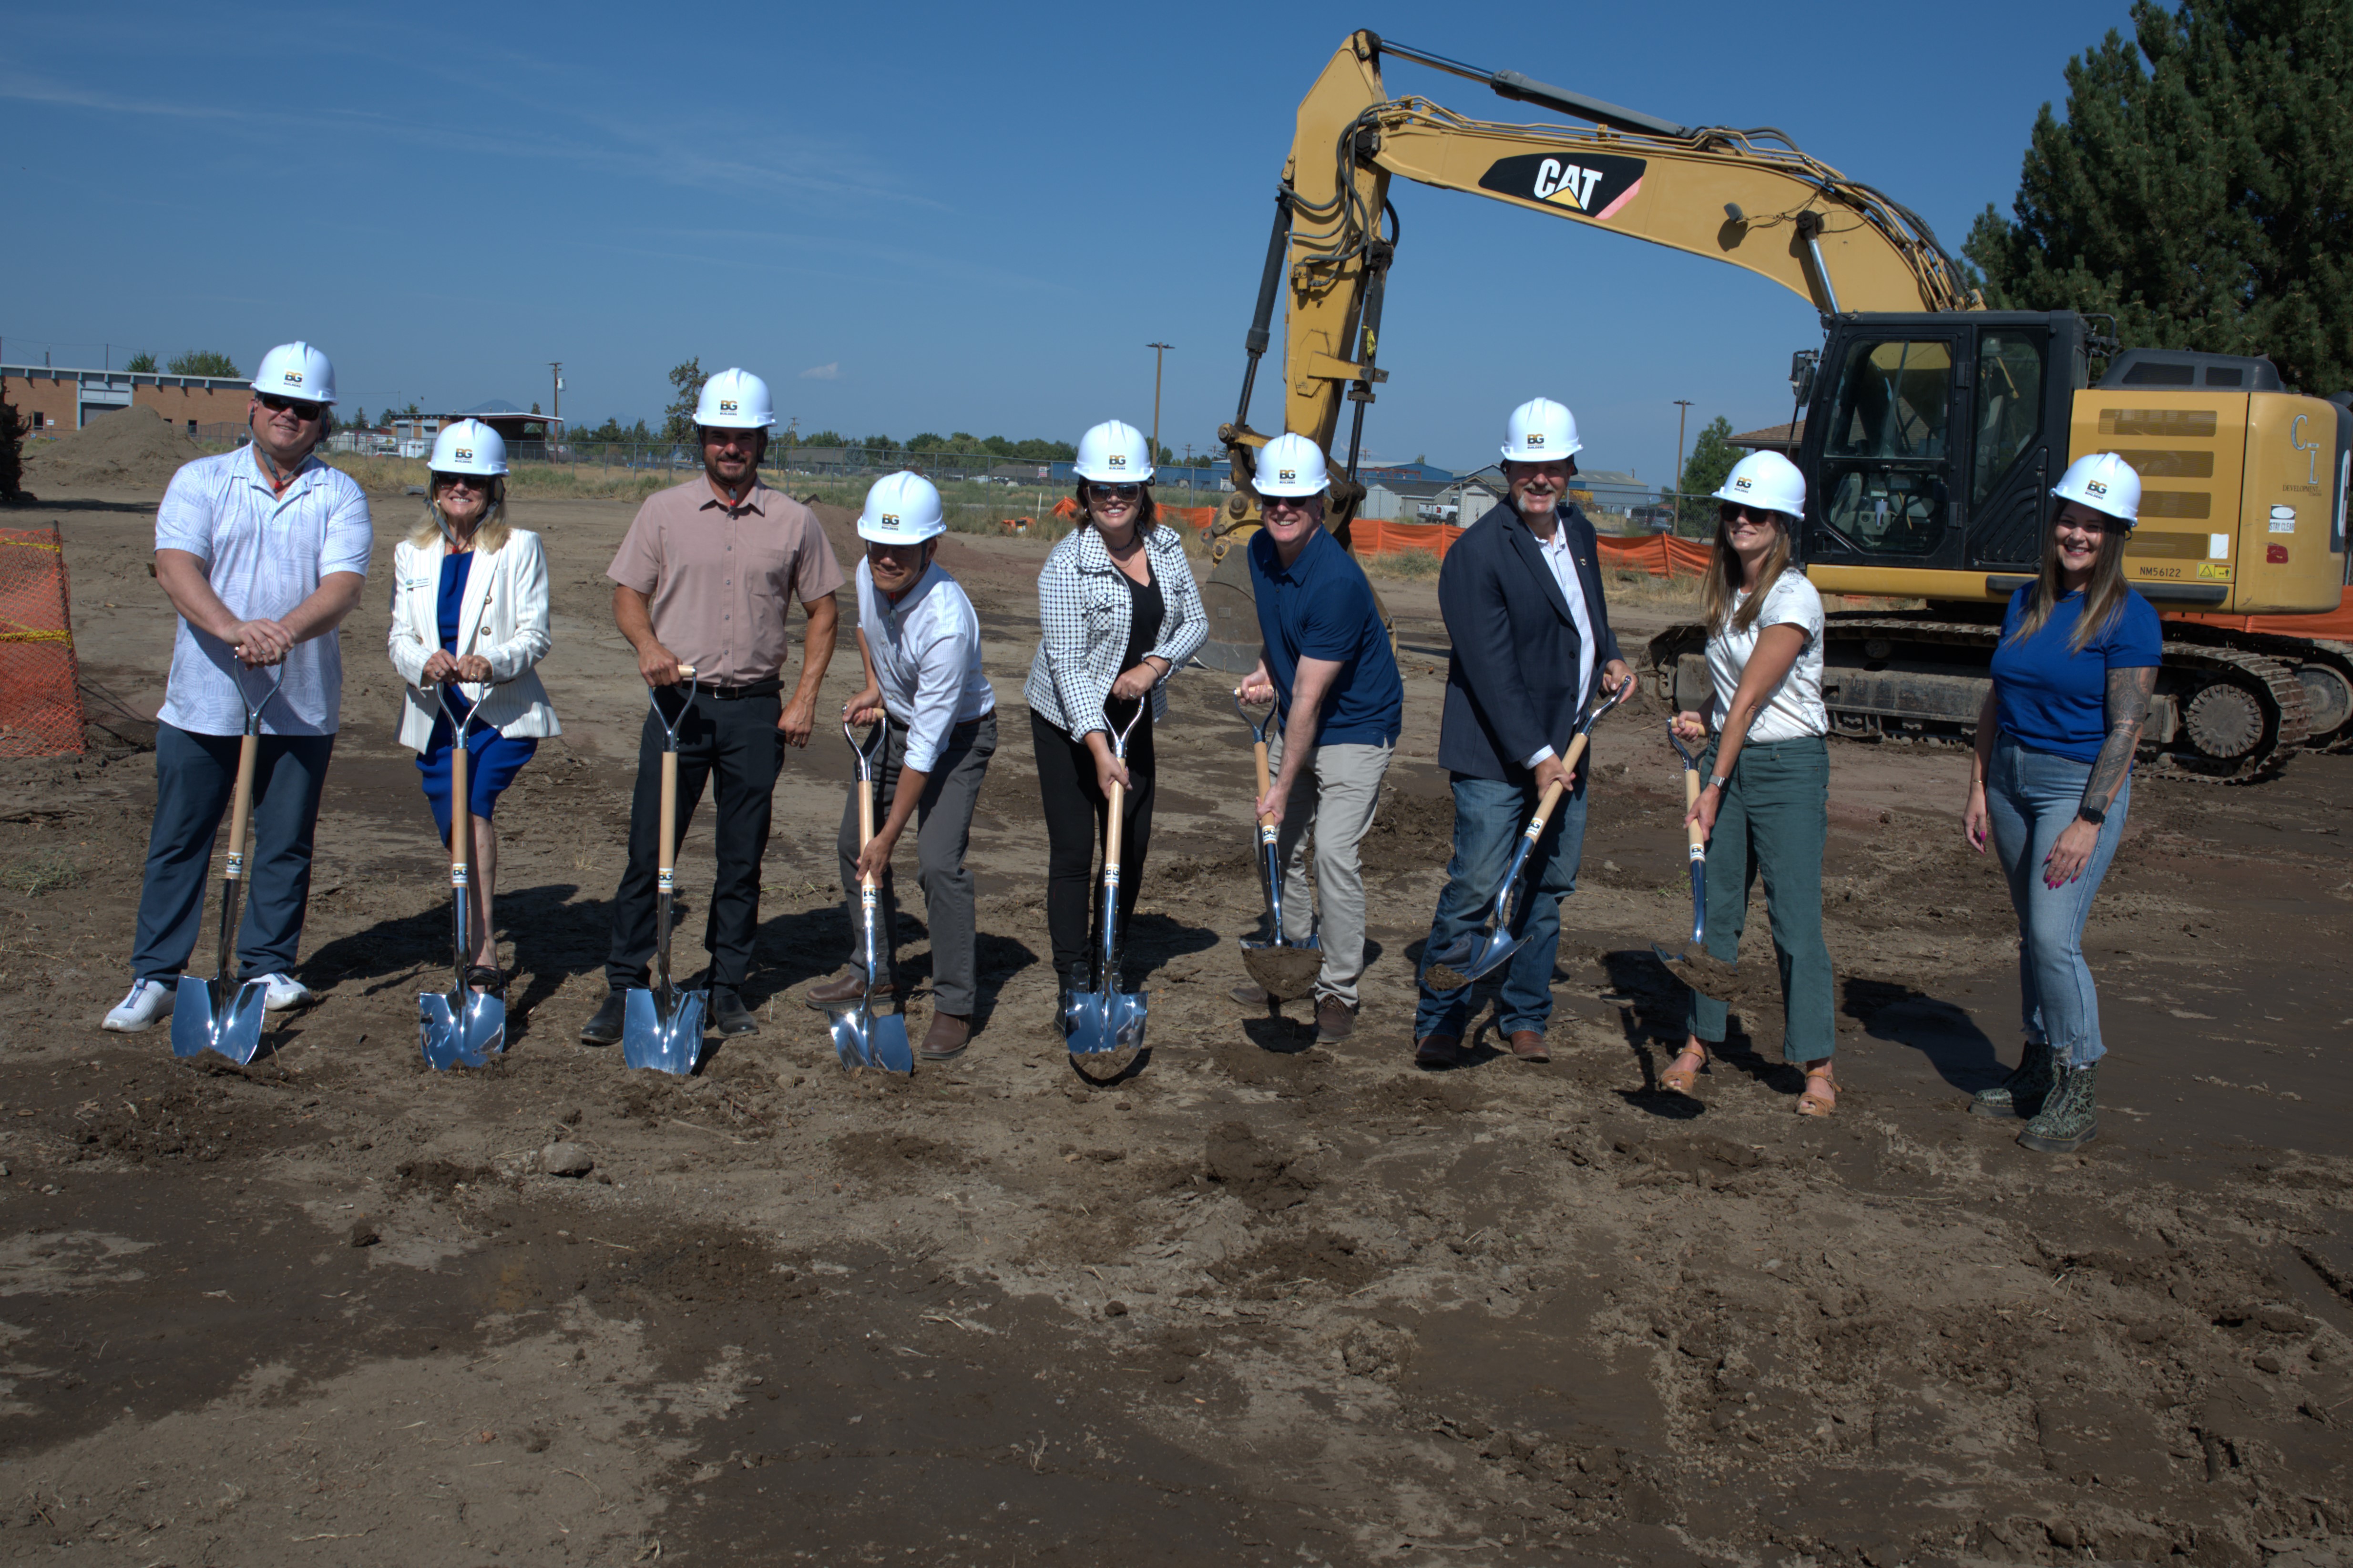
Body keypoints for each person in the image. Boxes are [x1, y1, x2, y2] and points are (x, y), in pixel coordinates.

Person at [104, 342, 372, 1031]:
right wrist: (232, 629)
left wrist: (282, 631)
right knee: (181, 839)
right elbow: (176, 566)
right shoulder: (201, 480)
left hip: (300, 705)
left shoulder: (338, 492)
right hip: (202, 700)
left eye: (305, 407)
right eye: (278, 402)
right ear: (253, 405)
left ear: (322, 419)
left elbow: (342, 587)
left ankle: (267, 965)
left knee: (284, 842)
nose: (289, 416)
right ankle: (156, 976)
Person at [581, 369, 842, 1044]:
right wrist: (646, 645)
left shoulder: (795, 521)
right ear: (701, 439)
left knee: (742, 856)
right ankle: (624, 985)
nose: (732, 448)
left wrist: (807, 697)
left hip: (756, 709)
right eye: (719, 437)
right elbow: (627, 595)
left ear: (762, 442)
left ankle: (727, 987)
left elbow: (823, 611)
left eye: (744, 438)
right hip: (678, 705)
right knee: (650, 849)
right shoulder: (662, 512)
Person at [1413, 398, 1633, 1068]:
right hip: (1497, 753)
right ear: (1507, 468)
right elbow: (1491, 670)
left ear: (1570, 467)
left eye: (1554, 466)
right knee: (1479, 883)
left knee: (1547, 885)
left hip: (1568, 743)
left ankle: (1526, 1013)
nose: (1541, 479)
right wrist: (1538, 757)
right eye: (1527, 467)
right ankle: (1441, 1016)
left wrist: (1614, 654)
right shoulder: (1477, 556)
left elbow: (1586, 617)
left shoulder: (1581, 533)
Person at [1962, 452, 2160, 1154]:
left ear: (2116, 537)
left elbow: (2128, 726)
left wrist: (2089, 818)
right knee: (2031, 935)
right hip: (2012, 779)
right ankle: (2037, 1063)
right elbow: (1999, 696)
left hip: (2075, 787)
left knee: (2054, 937)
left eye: (2094, 526)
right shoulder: (2028, 599)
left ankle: (2079, 1085)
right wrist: (1981, 783)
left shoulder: (2129, 618)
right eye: (2069, 520)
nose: (2077, 535)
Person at [1660, 451, 1839, 1109]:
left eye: (1755, 513)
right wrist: (1698, 721)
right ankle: (1700, 1041)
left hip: (1788, 767)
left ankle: (1817, 1065)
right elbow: (1730, 696)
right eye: (1732, 510)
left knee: (1794, 919)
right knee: (1716, 910)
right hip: (1730, 758)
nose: (1740, 521)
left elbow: (1752, 703)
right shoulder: (1727, 593)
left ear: (1782, 523)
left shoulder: (1794, 596)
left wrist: (1712, 781)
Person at [808, 472, 998, 1061]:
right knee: (852, 843)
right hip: (900, 719)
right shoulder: (869, 573)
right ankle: (875, 966)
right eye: (877, 547)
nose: (886, 560)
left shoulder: (947, 624)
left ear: (930, 548)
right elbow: (868, 628)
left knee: (937, 865)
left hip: (958, 736)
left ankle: (955, 1002)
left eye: (902, 550)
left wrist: (891, 835)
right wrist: (876, 686)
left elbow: (927, 746)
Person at [1024, 420, 1207, 1026]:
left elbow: (1193, 624)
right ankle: (1072, 978)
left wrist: (1154, 667)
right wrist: (1099, 751)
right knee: (1077, 850)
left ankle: (1113, 959)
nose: (1113, 499)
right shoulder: (1064, 567)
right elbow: (1070, 671)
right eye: (1101, 487)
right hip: (1066, 723)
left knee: (1127, 845)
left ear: (1143, 491)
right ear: (1084, 491)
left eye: (1124, 488)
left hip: (1135, 716)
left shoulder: (1166, 547)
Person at [1232, 432, 1405, 1044]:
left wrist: (1280, 784)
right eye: (1273, 497)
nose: (1283, 508)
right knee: (1272, 843)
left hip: (1356, 725)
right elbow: (1284, 636)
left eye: (1297, 499)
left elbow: (1307, 699)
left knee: (1330, 851)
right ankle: (1293, 961)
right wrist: (1263, 667)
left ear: (1319, 502)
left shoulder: (1336, 582)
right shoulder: (1259, 551)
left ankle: (1337, 987)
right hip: (1308, 711)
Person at [386, 420, 560, 994]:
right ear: (435, 485)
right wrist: (421, 663)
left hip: (497, 714)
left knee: (474, 808)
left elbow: (536, 635)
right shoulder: (410, 554)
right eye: (451, 478)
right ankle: (473, 930)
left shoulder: (518, 548)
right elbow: (397, 639)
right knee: (455, 824)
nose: (461, 488)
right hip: (437, 713)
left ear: (494, 489)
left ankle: (482, 952)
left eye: (475, 481)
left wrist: (493, 660)